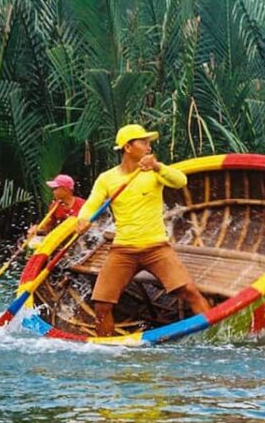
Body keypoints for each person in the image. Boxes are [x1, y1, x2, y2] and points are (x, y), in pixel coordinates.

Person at [75, 124, 211, 336]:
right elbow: (92, 203)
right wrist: (82, 219)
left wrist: (158, 167)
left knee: (189, 292)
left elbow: (180, 181)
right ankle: (107, 350)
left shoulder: (154, 172)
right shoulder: (107, 178)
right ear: (128, 147)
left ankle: (211, 334)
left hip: (156, 247)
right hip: (123, 250)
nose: (149, 147)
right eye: (144, 142)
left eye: (149, 143)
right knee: (102, 305)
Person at [27, 174, 85, 241]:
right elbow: (47, 227)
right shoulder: (54, 207)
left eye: (55, 189)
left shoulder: (83, 204)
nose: (53, 192)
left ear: (65, 190)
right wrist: (36, 229)